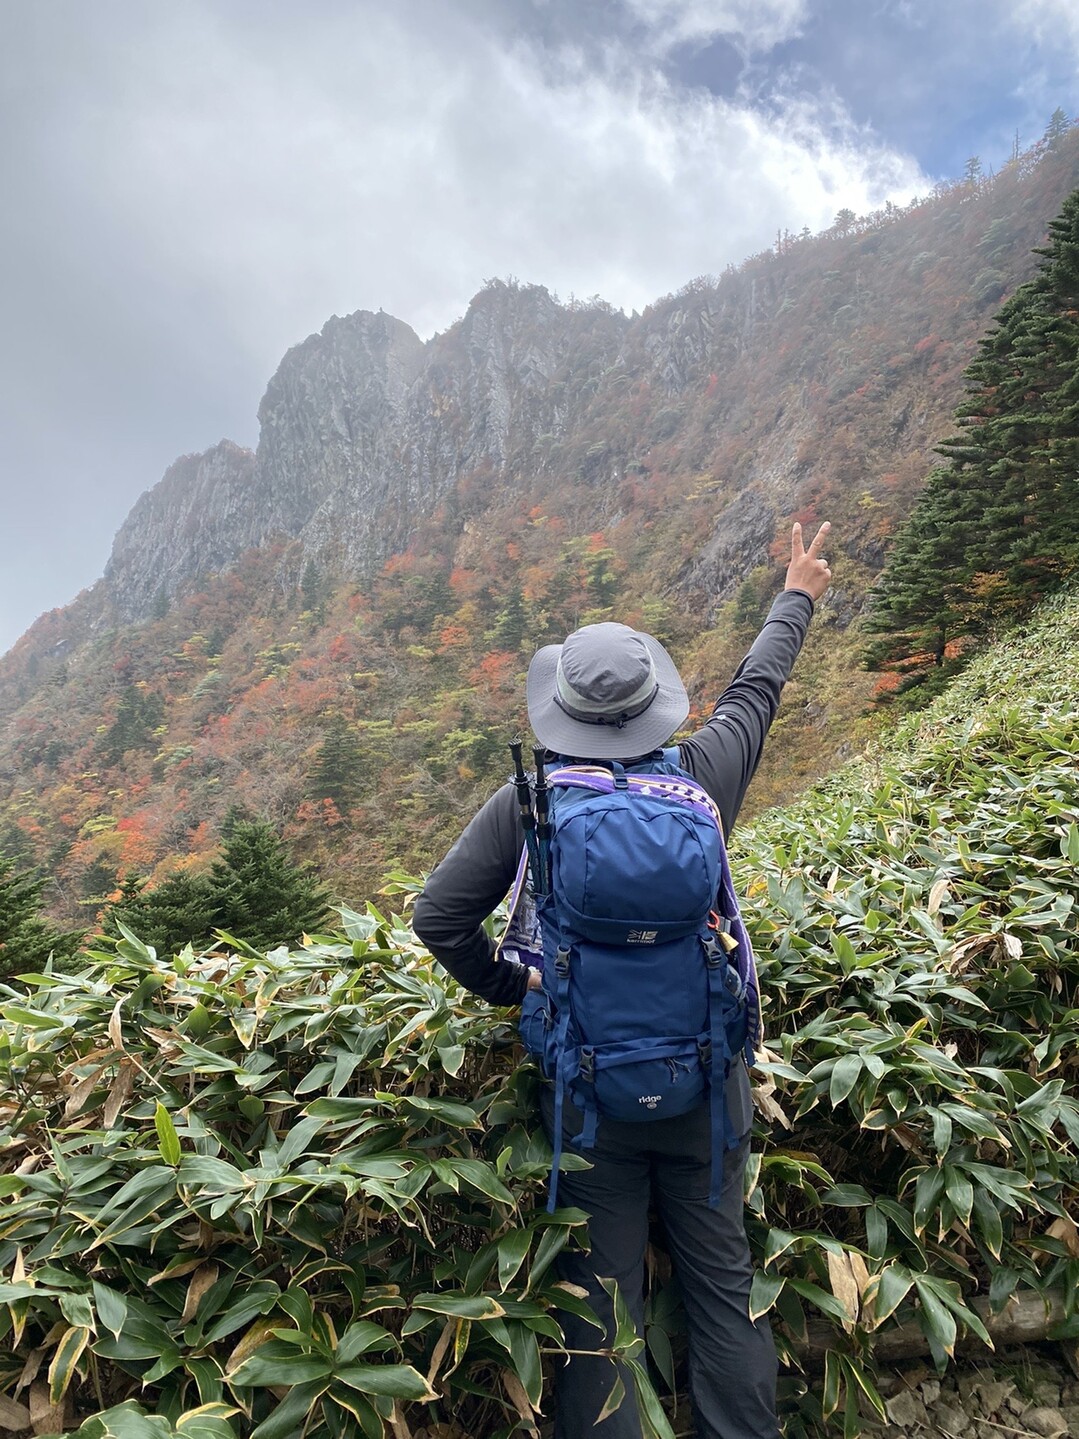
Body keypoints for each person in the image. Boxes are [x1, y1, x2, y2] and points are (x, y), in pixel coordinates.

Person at [413, 520, 833, 1439]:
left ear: (558, 709)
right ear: (658, 705)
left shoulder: (528, 805)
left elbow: (436, 917)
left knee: (598, 1310)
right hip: (704, 1087)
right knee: (724, 1288)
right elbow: (757, 690)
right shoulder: (704, 776)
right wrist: (795, 591)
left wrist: (512, 987)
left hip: (589, 1092)